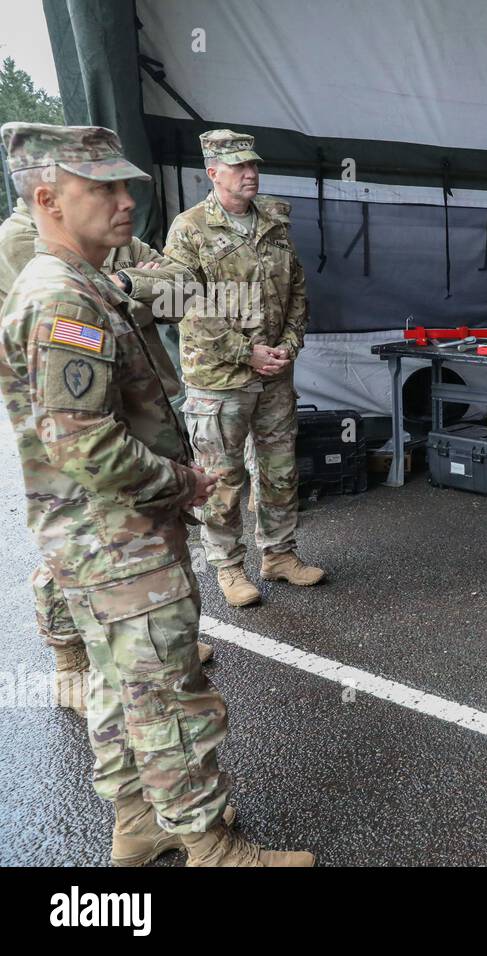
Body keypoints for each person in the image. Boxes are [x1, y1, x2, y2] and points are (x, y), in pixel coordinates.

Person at [0, 121, 311, 865]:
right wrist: (185, 481)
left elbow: (182, 292)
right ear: (47, 199)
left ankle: (139, 823)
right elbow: (90, 447)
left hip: (100, 534)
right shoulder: (64, 300)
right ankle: (211, 845)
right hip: (118, 535)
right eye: (99, 188)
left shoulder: (91, 277)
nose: (122, 200)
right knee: (170, 692)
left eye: (123, 184)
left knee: (119, 686)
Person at [1, 197, 215, 716]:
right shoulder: (21, 241)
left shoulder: (105, 235)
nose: (113, 197)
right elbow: (67, 319)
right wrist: (135, 289)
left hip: (141, 401)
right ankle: (71, 662)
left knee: (139, 535)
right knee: (77, 542)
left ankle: (147, 648)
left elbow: (188, 289)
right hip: (75, 412)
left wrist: (124, 286)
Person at [165, 129, 324, 608]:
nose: (251, 173)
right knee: (223, 476)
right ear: (213, 173)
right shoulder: (189, 229)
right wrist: (245, 352)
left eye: (253, 165)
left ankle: (279, 554)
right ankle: (229, 568)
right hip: (219, 378)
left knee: (278, 468)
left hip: (274, 373)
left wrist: (290, 343)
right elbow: (184, 304)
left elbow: (297, 288)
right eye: (238, 167)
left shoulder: (274, 223)